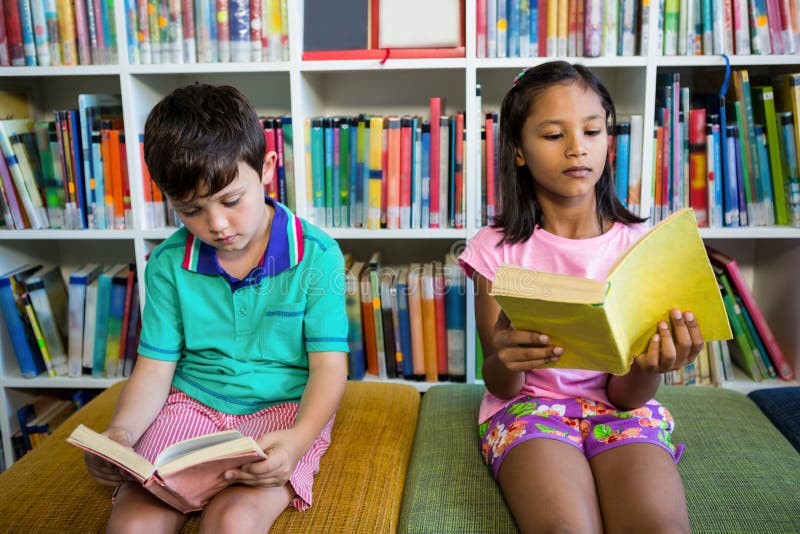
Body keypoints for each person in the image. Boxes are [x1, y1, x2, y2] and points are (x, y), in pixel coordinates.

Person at [83, 83, 349, 533]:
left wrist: (298, 441)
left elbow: (328, 367)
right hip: (190, 406)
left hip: (283, 410)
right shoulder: (168, 263)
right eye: (190, 211)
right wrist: (122, 434)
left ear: (266, 168)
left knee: (233, 522)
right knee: (133, 524)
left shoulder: (318, 256)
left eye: (231, 201)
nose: (217, 225)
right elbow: (154, 368)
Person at [459, 61, 701, 533]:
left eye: (593, 131)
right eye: (553, 135)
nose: (577, 148)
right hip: (528, 410)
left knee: (660, 526)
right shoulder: (496, 249)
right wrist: (507, 359)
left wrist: (649, 366)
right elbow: (498, 382)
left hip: (622, 409)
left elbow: (626, 397)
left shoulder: (642, 248)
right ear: (519, 150)